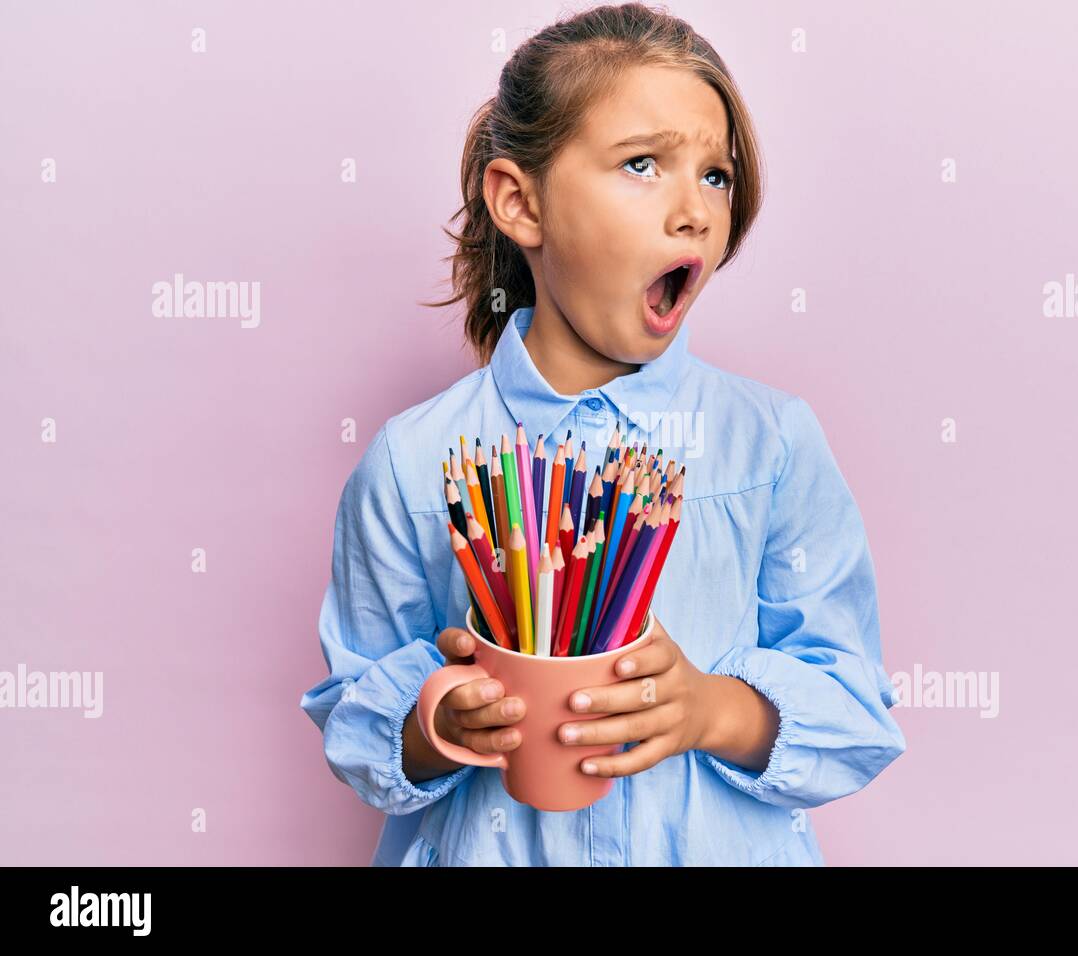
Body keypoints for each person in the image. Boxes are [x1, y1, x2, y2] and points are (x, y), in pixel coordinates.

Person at [300, 1, 905, 866]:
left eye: (716, 176)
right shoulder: (413, 460)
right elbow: (354, 709)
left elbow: (855, 706)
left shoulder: (769, 446)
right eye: (644, 164)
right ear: (520, 201)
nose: (695, 210)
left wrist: (708, 709)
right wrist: (438, 717)